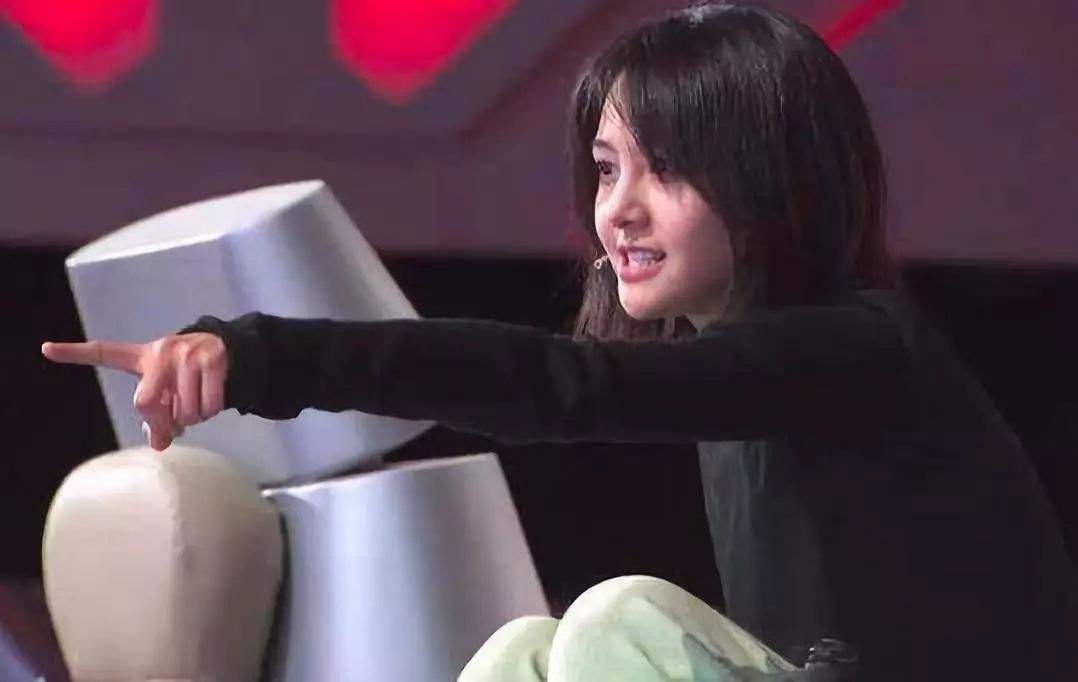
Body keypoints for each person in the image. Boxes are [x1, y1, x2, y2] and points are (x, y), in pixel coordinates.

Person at [41, 2, 1076, 680]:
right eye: (606, 168)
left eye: (664, 168)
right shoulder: (749, 377)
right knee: (521, 654)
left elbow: (566, 386)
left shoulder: (858, 350)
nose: (616, 209)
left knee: (619, 623)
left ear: (775, 179)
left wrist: (264, 355)